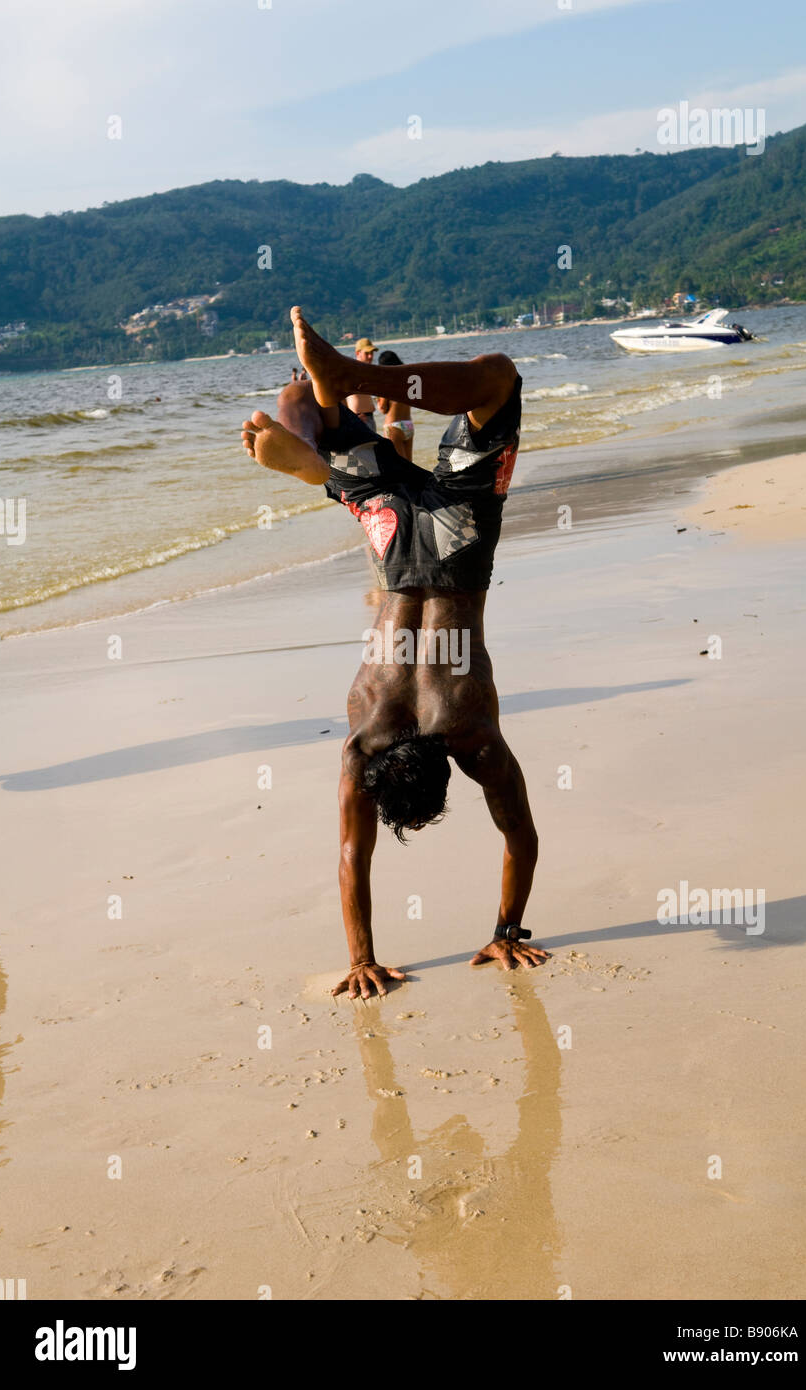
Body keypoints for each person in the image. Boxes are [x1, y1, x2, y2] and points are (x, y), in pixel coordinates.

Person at [241, 307, 545, 1000]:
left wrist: (507, 930)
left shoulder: (469, 733)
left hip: (460, 536)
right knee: (293, 401)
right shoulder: (365, 740)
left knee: (495, 380)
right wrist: (361, 956)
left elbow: (520, 839)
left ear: (449, 769)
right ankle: (321, 438)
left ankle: (337, 404)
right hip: (382, 526)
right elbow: (353, 856)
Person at [376, 349, 415, 461]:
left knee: (398, 466)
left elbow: (383, 408)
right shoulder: (409, 380)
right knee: (410, 465)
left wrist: (379, 401)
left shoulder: (386, 382)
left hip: (393, 426)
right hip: (408, 424)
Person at [347, 336, 378, 428]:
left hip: (369, 417)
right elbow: (339, 397)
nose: (370, 356)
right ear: (358, 353)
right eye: (367, 353)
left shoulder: (368, 371)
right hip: (358, 417)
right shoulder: (351, 371)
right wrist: (351, 417)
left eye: (372, 353)